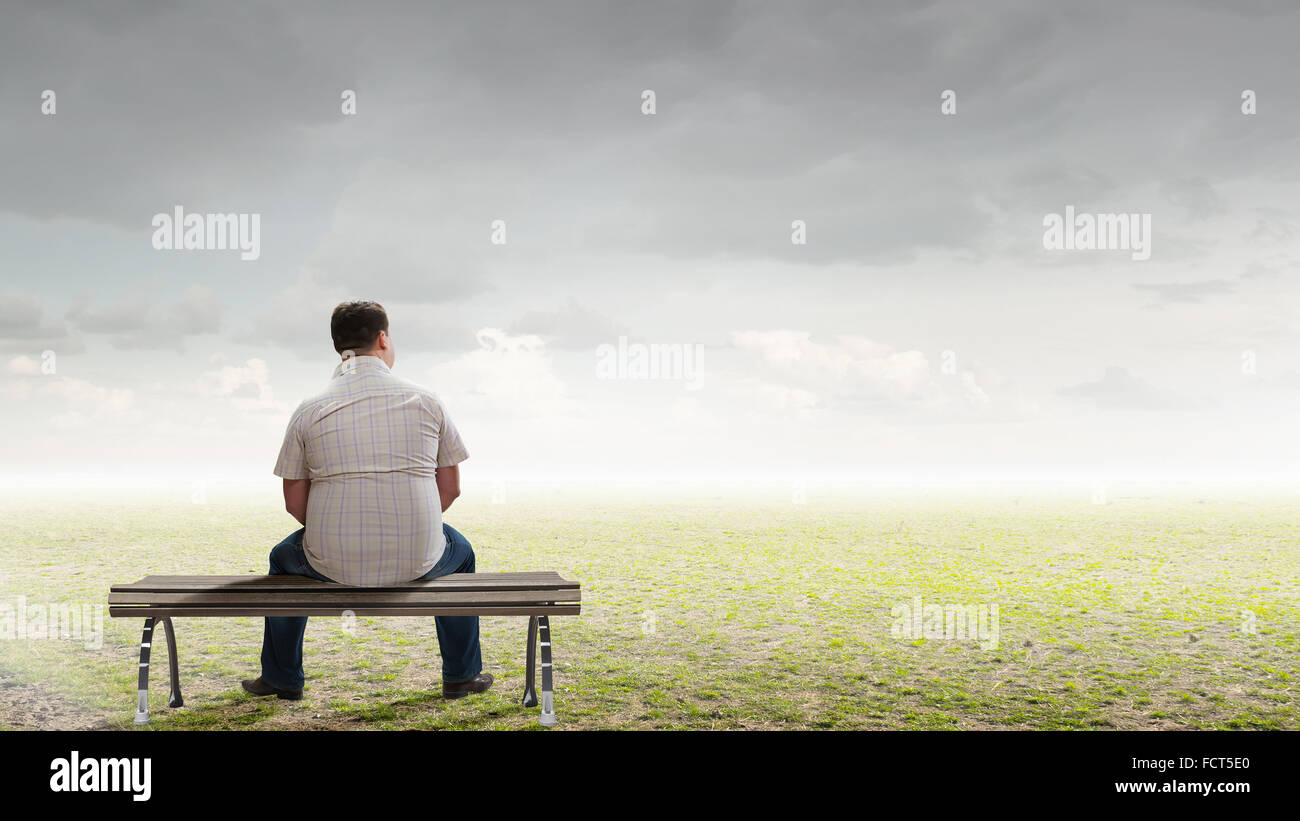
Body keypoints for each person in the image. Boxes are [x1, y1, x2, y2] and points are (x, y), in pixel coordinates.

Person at [241, 300, 492, 701]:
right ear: (383, 338)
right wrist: (416, 525)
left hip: (329, 562)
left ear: (338, 347)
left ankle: (282, 679)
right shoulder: (427, 401)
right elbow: (451, 488)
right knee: (460, 552)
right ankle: (461, 675)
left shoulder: (308, 409)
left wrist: (329, 531)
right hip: (420, 558)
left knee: (282, 558)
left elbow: (293, 503)